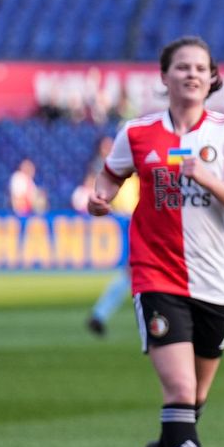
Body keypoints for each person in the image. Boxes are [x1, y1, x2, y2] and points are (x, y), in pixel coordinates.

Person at [87, 36, 224, 447]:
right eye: (182, 67)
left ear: (212, 78)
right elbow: (110, 178)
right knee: (181, 391)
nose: (191, 74)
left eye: (200, 68)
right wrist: (100, 199)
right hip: (156, 276)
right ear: (164, 76)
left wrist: (208, 178)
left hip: (212, 282)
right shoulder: (137, 132)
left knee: (196, 398)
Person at [80, 136, 140, 336]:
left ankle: (100, 314)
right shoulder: (119, 171)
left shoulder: (129, 171)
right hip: (131, 222)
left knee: (132, 272)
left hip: (135, 220)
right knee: (132, 271)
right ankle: (100, 314)